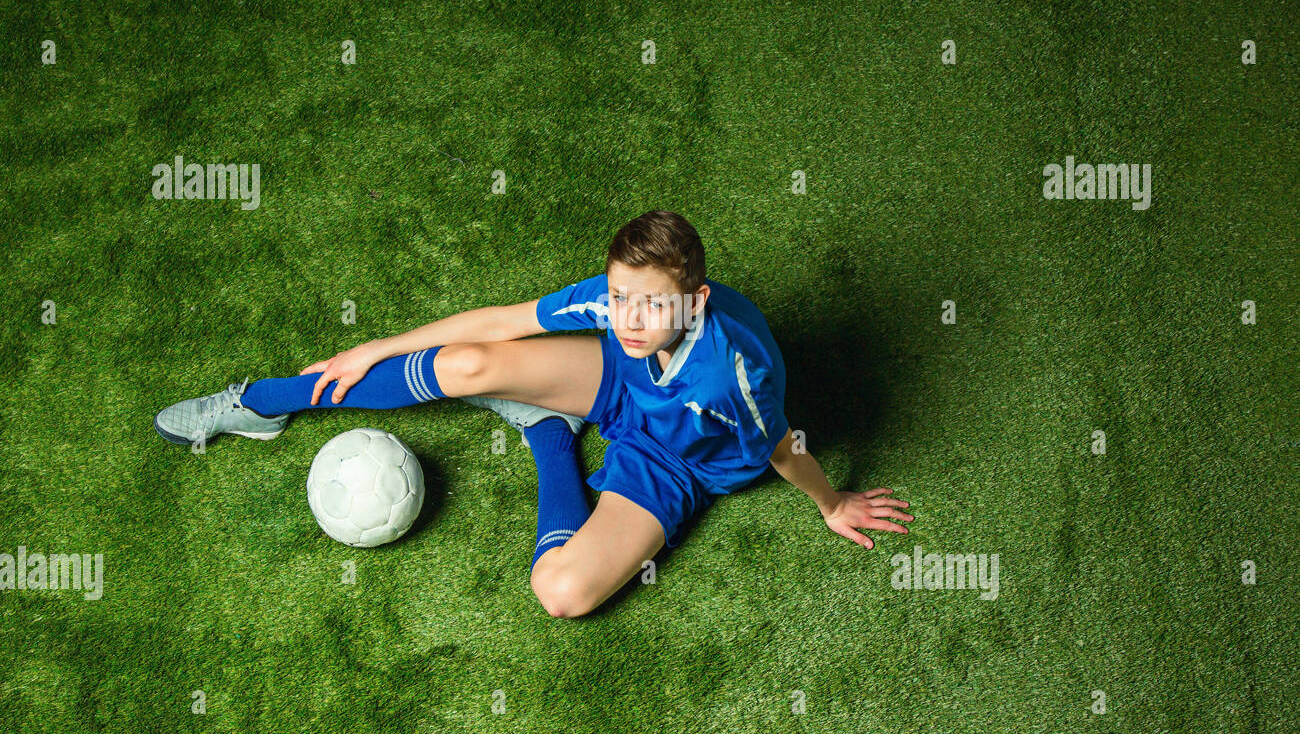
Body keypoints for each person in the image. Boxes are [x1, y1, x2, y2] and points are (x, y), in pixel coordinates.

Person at [154, 210, 913, 617]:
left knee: (561, 592)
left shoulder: (732, 375)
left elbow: (783, 447)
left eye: (651, 304)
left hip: (676, 461)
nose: (629, 316)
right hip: (616, 385)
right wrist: (372, 346)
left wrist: (833, 500)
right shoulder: (622, 320)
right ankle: (259, 402)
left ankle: (549, 439)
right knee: (469, 366)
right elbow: (502, 321)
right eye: (619, 298)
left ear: (696, 300)